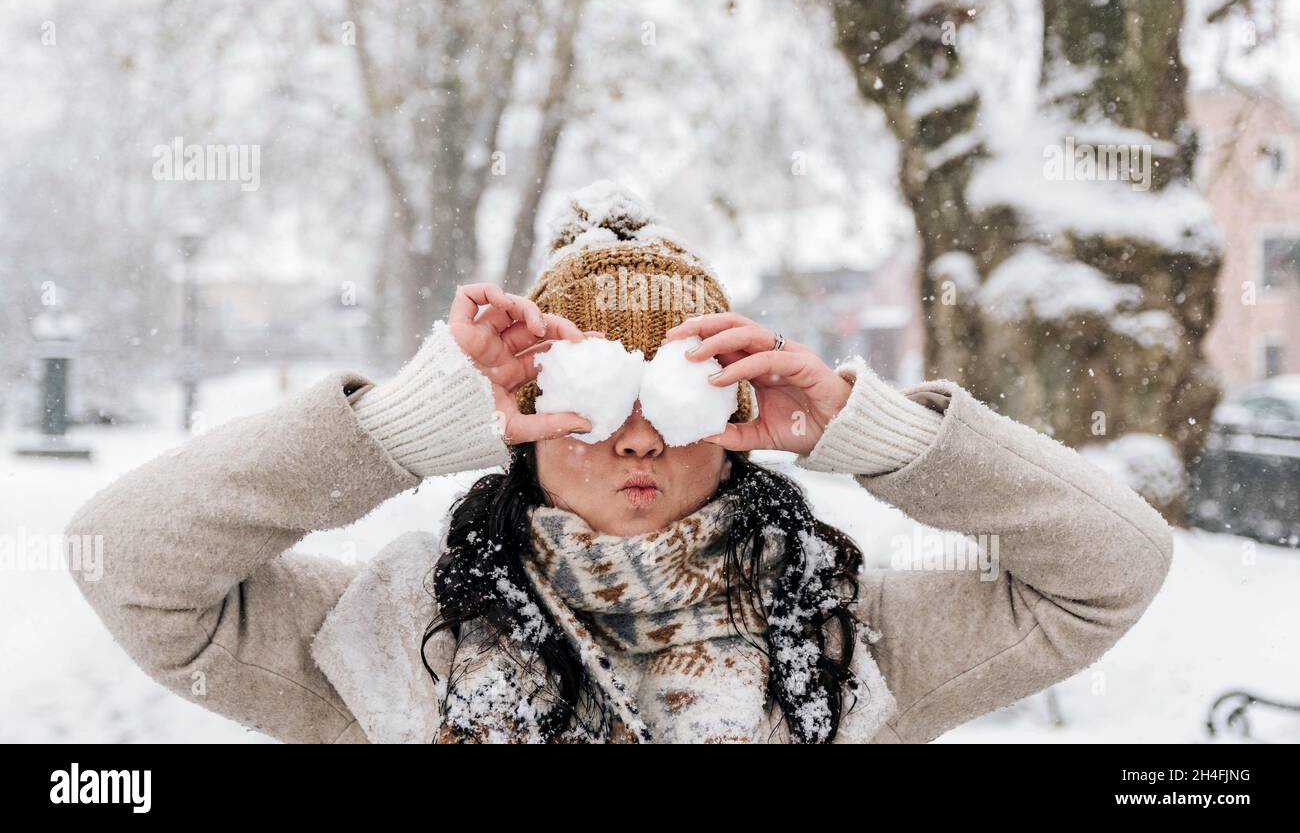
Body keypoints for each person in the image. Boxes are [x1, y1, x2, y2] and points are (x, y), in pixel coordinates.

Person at [65, 180, 1174, 744]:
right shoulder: (390, 639)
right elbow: (129, 565)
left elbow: (1113, 567)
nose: (639, 436)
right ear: (528, 418)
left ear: (734, 418)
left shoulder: (848, 636)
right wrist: (403, 427)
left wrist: (869, 432)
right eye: (599, 399)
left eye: (674, 397)